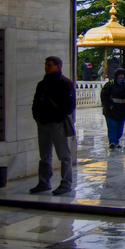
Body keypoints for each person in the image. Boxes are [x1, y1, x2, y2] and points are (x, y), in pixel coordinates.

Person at [29, 56, 76, 195]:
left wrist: (58, 118)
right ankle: (44, 182)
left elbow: (70, 105)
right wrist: (36, 116)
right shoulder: (42, 83)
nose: (46, 67)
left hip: (56, 123)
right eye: (46, 65)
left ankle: (66, 183)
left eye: (49, 65)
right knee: (44, 155)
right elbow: (36, 101)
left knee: (64, 155)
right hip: (42, 123)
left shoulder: (65, 83)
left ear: (58, 66)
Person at [100, 68, 125, 149]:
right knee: (112, 127)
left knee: (119, 129)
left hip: (121, 110)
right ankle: (112, 142)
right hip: (111, 111)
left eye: (122, 75)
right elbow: (104, 96)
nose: (121, 76)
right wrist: (109, 105)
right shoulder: (109, 85)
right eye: (119, 75)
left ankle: (116, 141)